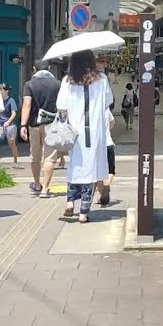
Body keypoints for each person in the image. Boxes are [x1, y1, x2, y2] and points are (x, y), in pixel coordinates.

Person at [56, 50, 113, 223]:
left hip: (75, 133)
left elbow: (61, 107)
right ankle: (83, 213)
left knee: (75, 166)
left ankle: (70, 203)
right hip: (94, 132)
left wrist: (63, 127)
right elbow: (108, 101)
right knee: (90, 169)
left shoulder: (68, 81)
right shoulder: (101, 80)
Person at [20, 62, 61, 198]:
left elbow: (27, 104)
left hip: (34, 124)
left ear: (34, 69)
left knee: (35, 156)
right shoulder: (57, 84)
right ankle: (46, 189)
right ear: (49, 68)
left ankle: (37, 184)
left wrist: (22, 125)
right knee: (49, 157)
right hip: (52, 124)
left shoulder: (29, 84)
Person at [96, 105, 116, 207]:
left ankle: (101, 195)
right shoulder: (105, 108)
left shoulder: (90, 108)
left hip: (96, 146)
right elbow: (112, 122)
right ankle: (106, 185)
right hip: (108, 143)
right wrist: (108, 130)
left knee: (98, 171)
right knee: (111, 171)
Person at [0, 83, 19, 164]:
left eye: (1, 89)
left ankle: (15, 160)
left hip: (10, 125)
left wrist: (8, 122)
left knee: (11, 144)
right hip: (0, 124)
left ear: (6, 91)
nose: (0, 91)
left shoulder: (11, 100)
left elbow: (14, 114)